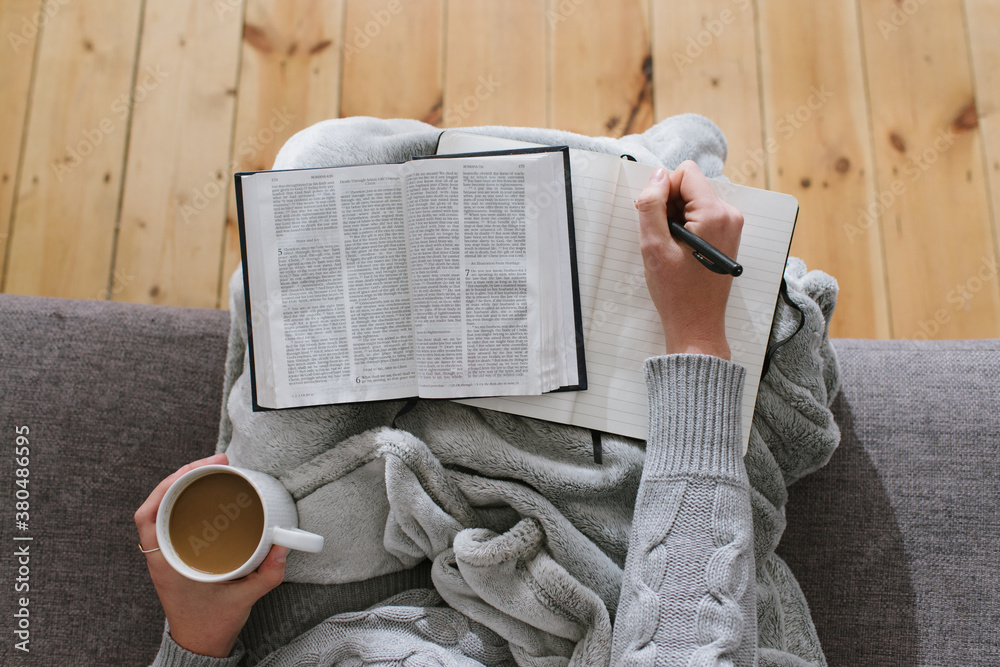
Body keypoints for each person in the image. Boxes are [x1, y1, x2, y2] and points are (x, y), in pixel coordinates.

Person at [135, 161, 755, 664]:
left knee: (322, 168)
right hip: (564, 595)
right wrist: (698, 340)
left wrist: (194, 641)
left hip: (303, 608)